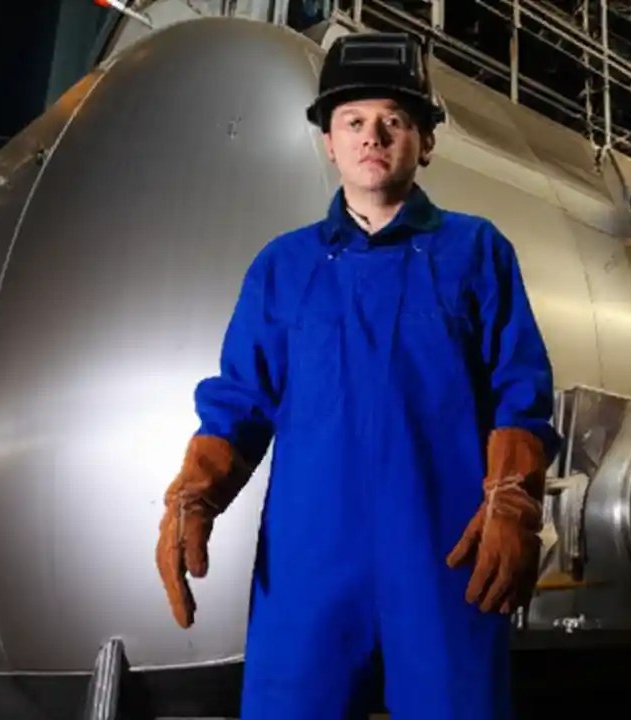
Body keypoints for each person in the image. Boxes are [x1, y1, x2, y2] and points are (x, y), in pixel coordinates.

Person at [154, 31, 560, 720]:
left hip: (447, 560)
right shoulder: (283, 267)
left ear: (425, 142)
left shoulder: (476, 251)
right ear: (330, 142)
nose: (372, 135)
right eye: (353, 122)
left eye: (394, 121)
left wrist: (515, 501)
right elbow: (240, 403)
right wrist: (194, 495)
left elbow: (520, 392)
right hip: (309, 563)